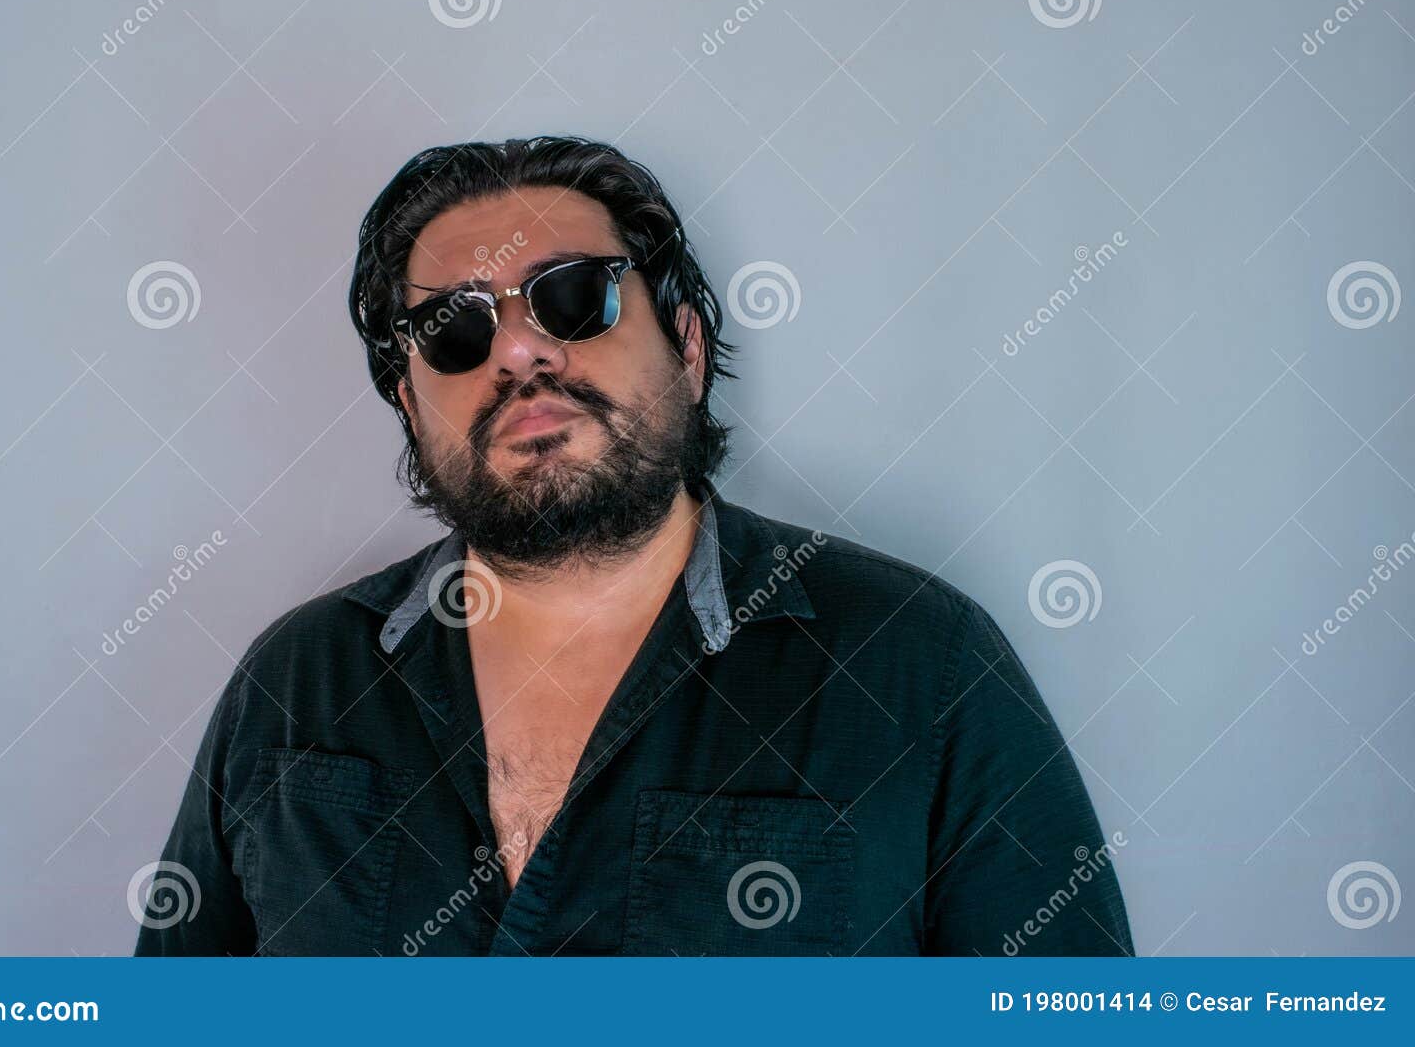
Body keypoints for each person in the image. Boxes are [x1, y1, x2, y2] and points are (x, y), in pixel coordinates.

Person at [134, 135, 1133, 956]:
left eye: (573, 297)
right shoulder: (296, 683)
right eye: (453, 328)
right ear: (408, 397)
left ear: (688, 349)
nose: (520, 351)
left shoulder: (920, 663)